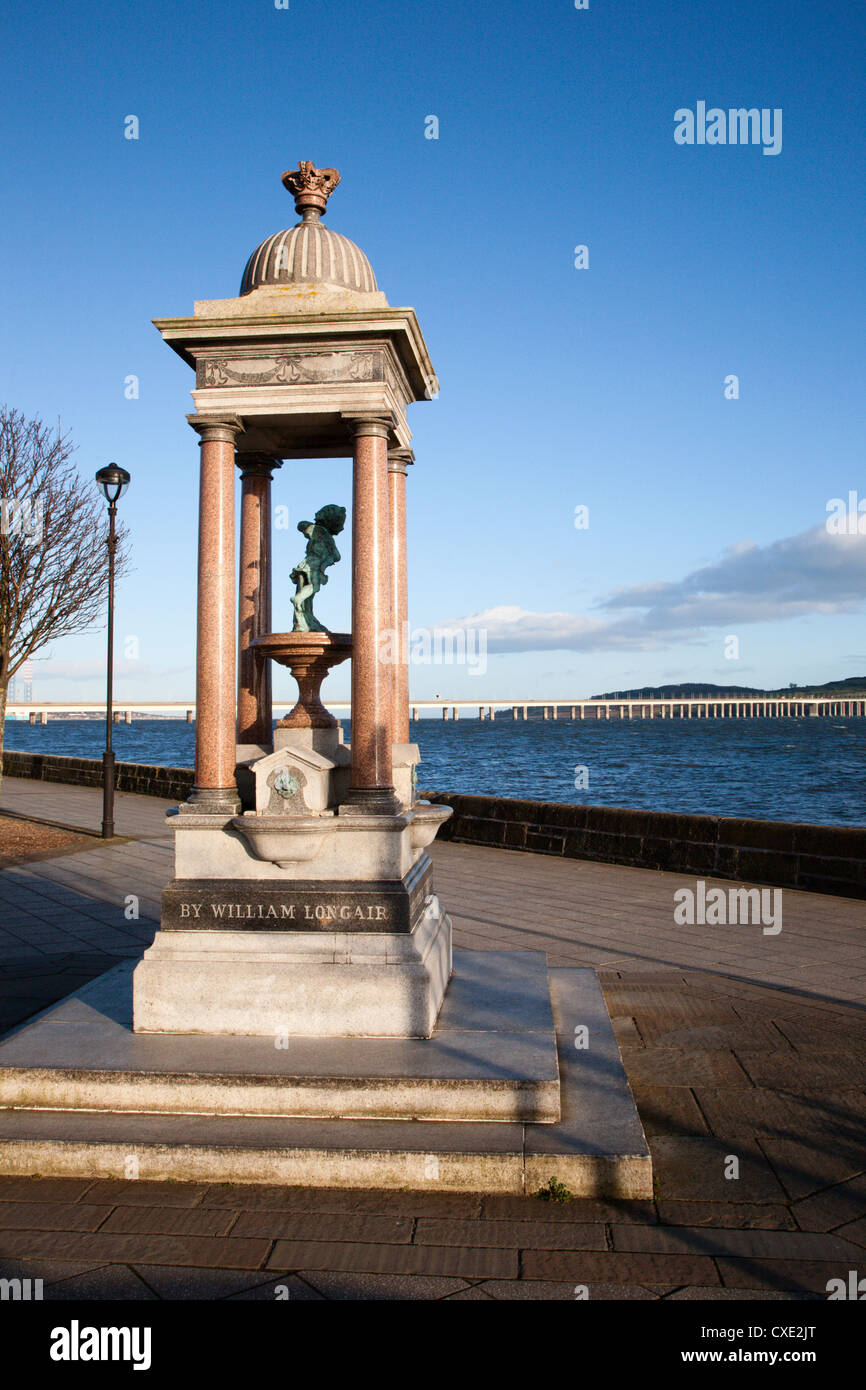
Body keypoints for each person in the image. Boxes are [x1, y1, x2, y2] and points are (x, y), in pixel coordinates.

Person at [290, 504, 346, 632]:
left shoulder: (316, 531)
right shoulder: (323, 534)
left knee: (308, 597)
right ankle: (298, 600)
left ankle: (303, 621)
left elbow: (301, 525)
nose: (341, 528)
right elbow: (337, 556)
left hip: (305, 565)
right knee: (312, 588)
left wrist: (311, 526)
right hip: (314, 567)